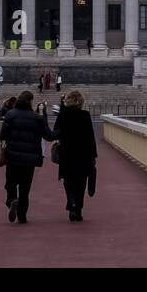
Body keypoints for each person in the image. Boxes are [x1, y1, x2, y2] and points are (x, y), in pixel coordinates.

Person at [0, 90, 57, 224]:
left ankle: (12, 200)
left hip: (12, 156)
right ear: (31, 102)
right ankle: (22, 216)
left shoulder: (10, 115)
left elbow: (3, 135)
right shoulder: (37, 118)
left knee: (11, 183)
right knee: (25, 188)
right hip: (30, 158)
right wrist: (62, 131)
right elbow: (49, 136)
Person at [52, 90, 97, 221]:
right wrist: (94, 155)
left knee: (68, 179)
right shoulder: (85, 115)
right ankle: (78, 211)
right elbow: (91, 136)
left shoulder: (63, 115)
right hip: (84, 153)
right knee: (81, 183)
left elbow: (55, 131)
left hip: (67, 152)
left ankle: (71, 201)